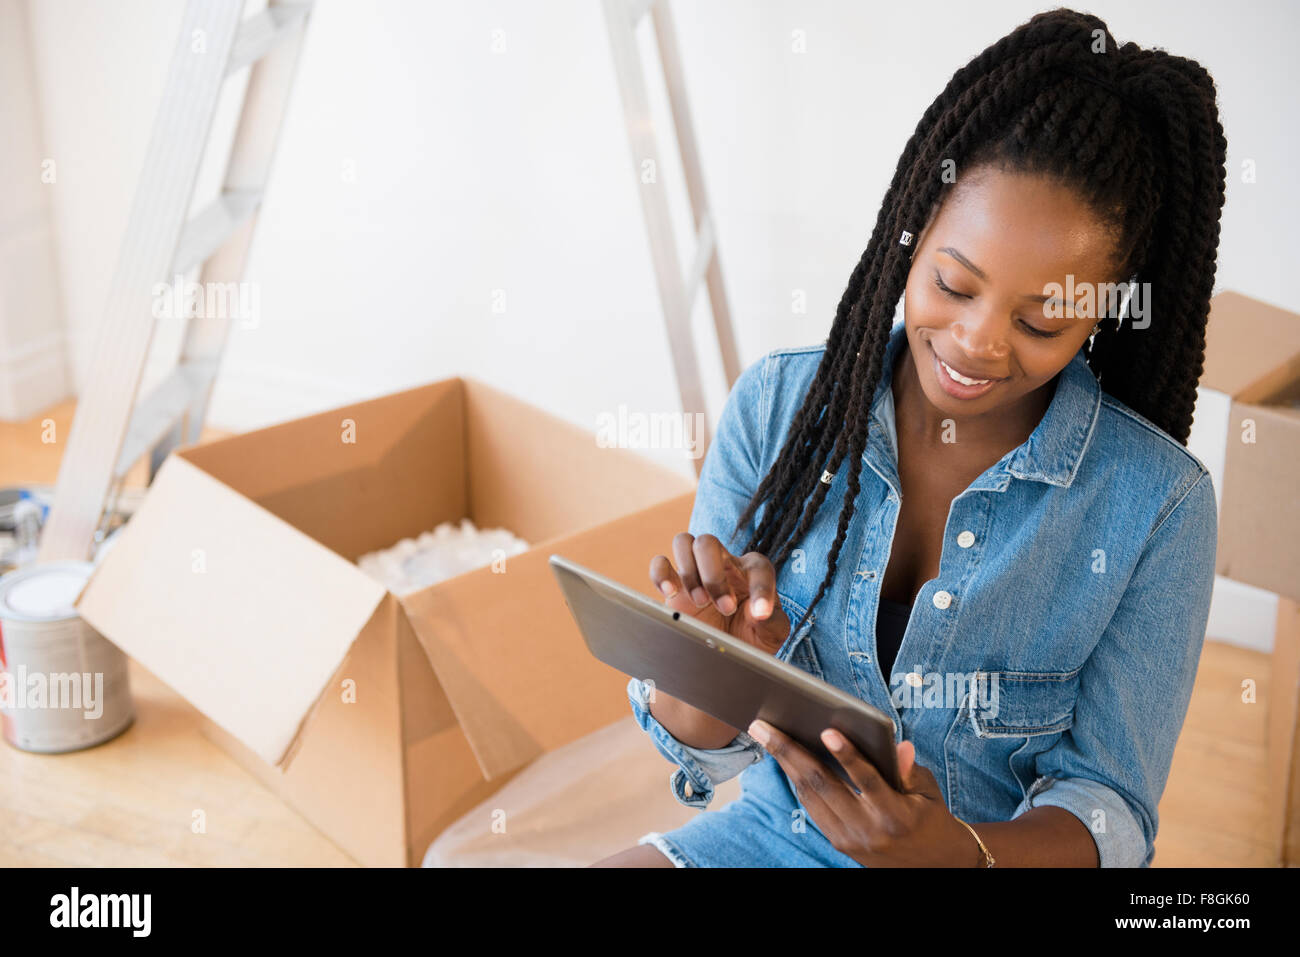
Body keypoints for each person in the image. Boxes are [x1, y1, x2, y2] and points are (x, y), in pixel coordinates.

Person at [592, 7, 1226, 868]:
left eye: (1042, 321)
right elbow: (710, 748)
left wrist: (960, 853)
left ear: (1104, 316)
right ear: (914, 229)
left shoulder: (1158, 506)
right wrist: (710, 663)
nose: (976, 343)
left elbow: (1111, 810)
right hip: (778, 838)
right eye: (953, 284)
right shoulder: (781, 408)